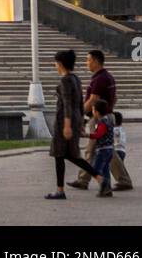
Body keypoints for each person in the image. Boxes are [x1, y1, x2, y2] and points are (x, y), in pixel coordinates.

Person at [69, 50, 133, 192]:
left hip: (99, 119)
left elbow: (93, 100)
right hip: (105, 116)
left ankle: (84, 180)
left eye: (88, 60)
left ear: (96, 61)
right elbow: (114, 98)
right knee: (104, 151)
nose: (87, 63)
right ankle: (121, 180)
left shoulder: (99, 79)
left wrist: (79, 116)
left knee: (93, 151)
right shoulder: (107, 77)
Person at [45, 49, 98, 200]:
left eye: (56, 63)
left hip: (64, 121)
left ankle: (60, 190)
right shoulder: (75, 78)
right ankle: (100, 178)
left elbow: (68, 103)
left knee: (59, 154)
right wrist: (80, 122)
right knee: (70, 155)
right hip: (74, 119)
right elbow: (80, 103)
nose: (55, 65)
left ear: (60, 64)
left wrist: (67, 126)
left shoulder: (66, 80)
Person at [85, 99, 117, 198]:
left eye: (93, 110)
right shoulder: (107, 120)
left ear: (97, 112)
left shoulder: (103, 122)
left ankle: (104, 187)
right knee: (105, 170)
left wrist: (87, 135)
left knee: (95, 169)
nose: (92, 111)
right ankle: (108, 190)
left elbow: (99, 135)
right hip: (109, 149)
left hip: (103, 150)